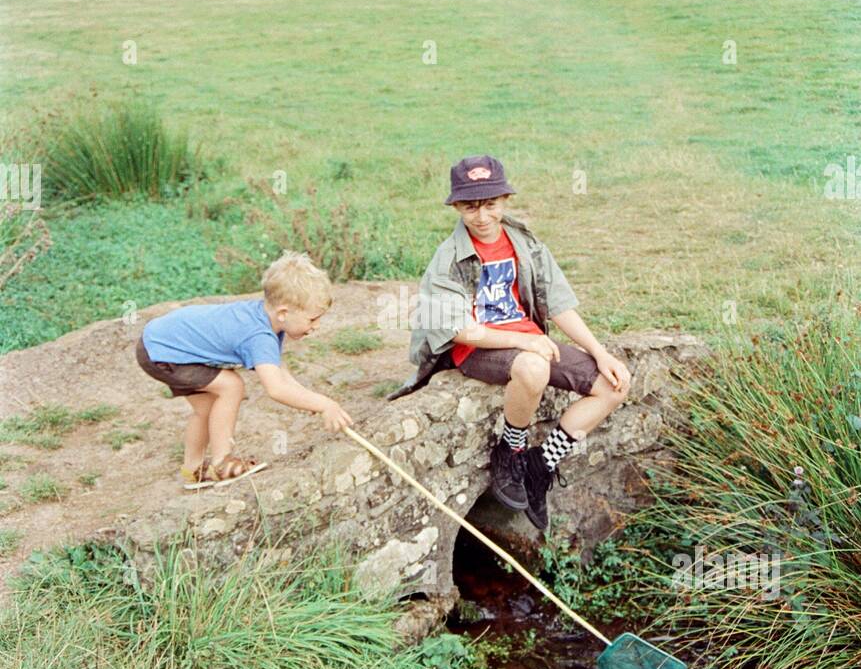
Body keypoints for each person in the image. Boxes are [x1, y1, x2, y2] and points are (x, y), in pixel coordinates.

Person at [394, 155, 632, 531]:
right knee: (532, 366)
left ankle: (540, 465)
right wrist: (526, 344)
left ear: (504, 200)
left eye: (490, 204)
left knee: (614, 386)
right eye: (471, 206)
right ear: (456, 206)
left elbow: (559, 304)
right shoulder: (449, 259)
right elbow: (459, 331)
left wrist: (600, 354)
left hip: (527, 341)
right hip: (478, 349)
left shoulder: (525, 243)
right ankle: (511, 451)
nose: (482, 215)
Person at [135, 251, 352, 488]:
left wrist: (309, 400)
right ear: (283, 313)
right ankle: (221, 462)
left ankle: (192, 470)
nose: (316, 327)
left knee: (206, 408)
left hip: (161, 342)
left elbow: (281, 372)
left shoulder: (265, 318)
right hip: (162, 351)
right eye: (312, 319)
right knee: (231, 386)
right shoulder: (259, 336)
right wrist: (324, 405)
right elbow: (276, 389)